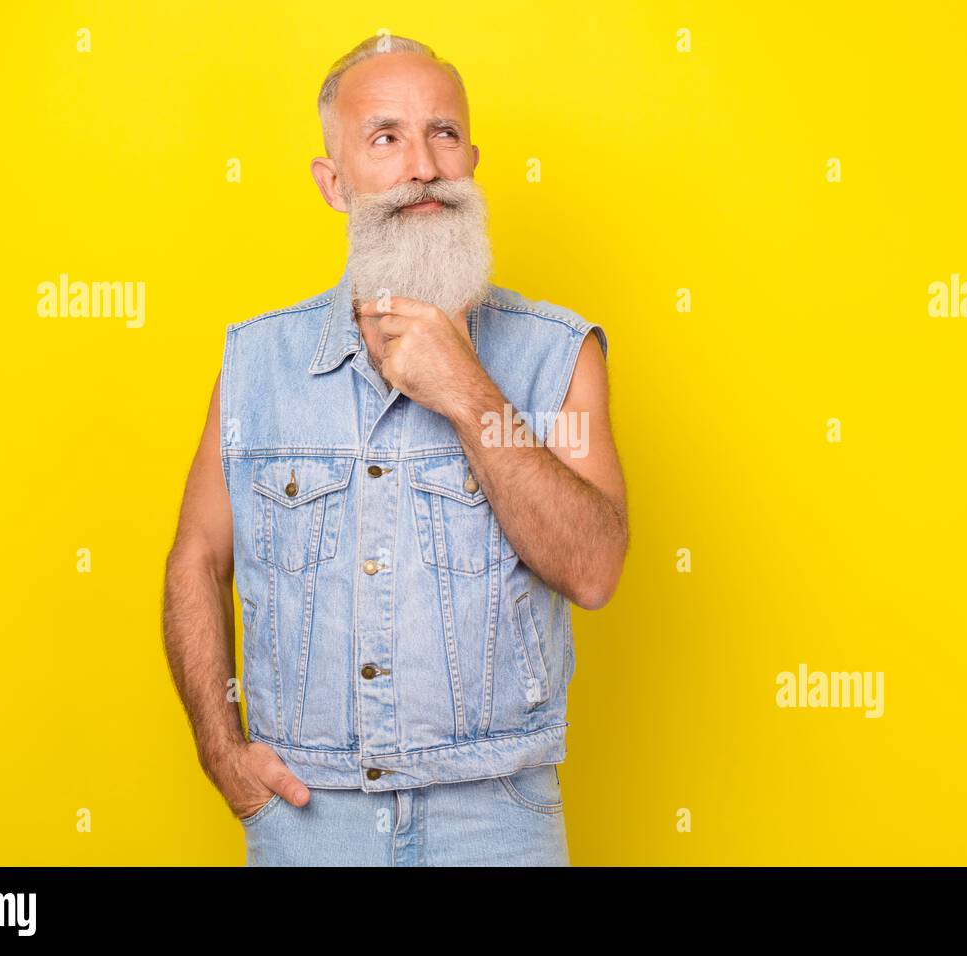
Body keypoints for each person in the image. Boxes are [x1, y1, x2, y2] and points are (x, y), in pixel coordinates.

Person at [161, 33, 628, 866]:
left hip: (497, 819)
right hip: (310, 818)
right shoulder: (255, 364)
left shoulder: (562, 354)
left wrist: (467, 390)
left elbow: (594, 568)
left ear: (472, 160)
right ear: (333, 183)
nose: (423, 165)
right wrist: (219, 750)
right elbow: (196, 557)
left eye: (443, 133)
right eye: (386, 137)